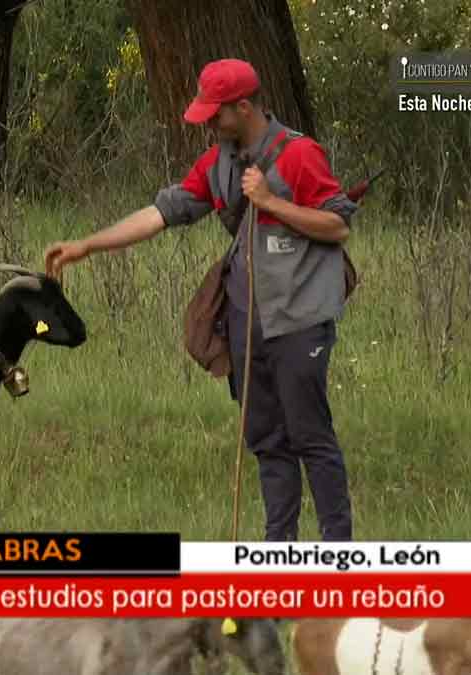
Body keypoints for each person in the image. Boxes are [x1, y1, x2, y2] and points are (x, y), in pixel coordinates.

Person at [43, 58, 358, 542]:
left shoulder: (299, 155)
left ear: (244, 106)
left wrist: (273, 203)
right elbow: (159, 214)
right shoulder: (219, 164)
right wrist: (88, 245)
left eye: (216, 114)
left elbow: (338, 225)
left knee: (311, 437)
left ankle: (338, 554)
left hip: (300, 320)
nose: (209, 123)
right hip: (246, 319)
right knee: (268, 441)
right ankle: (280, 552)